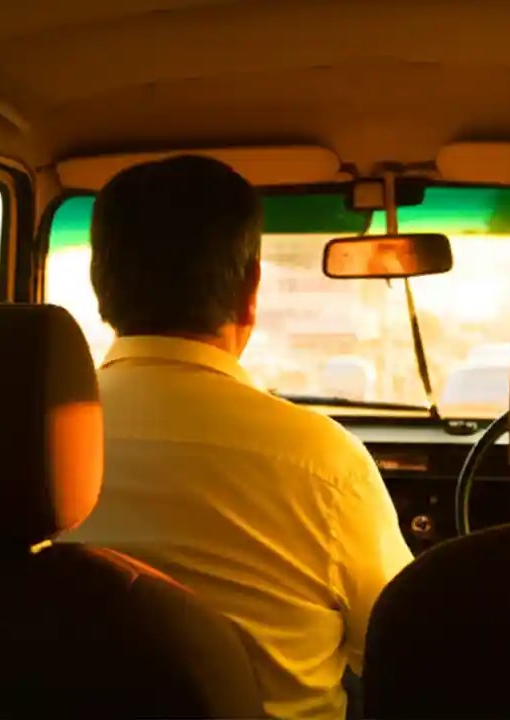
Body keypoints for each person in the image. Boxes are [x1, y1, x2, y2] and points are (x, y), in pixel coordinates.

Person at [66, 155, 412, 720]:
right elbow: (397, 648)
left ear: (100, 286)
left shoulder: (24, 450)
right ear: (251, 288)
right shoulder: (323, 462)